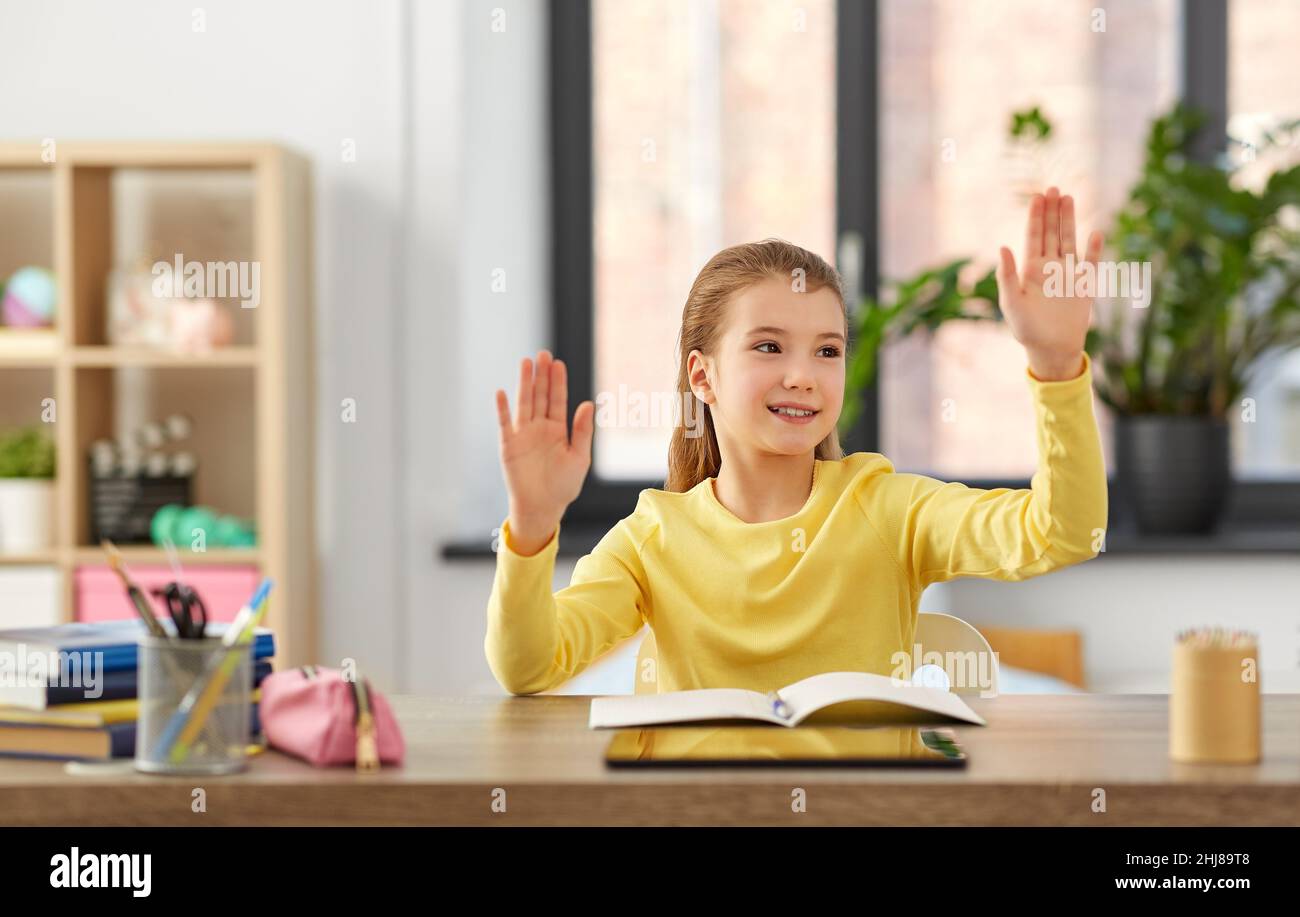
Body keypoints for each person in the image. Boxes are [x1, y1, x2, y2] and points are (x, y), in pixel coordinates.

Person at [486, 187, 1107, 696]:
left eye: (828, 351)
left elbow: (1065, 532)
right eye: (768, 346)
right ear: (703, 375)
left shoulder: (887, 510)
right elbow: (529, 668)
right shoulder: (653, 540)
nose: (803, 376)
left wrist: (1056, 367)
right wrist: (533, 526)